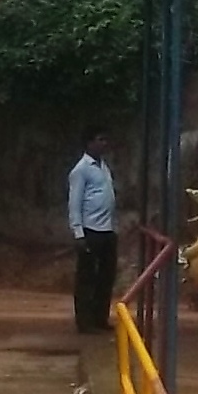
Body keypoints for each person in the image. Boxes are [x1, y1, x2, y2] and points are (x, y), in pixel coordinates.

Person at [68, 125, 117, 335]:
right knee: (87, 277)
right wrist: (78, 232)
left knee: (106, 276)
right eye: (100, 139)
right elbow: (74, 203)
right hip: (90, 230)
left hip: (107, 230)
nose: (104, 144)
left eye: (105, 139)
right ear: (89, 143)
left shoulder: (103, 166)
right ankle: (84, 321)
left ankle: (100, 317)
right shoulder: (81, 170)